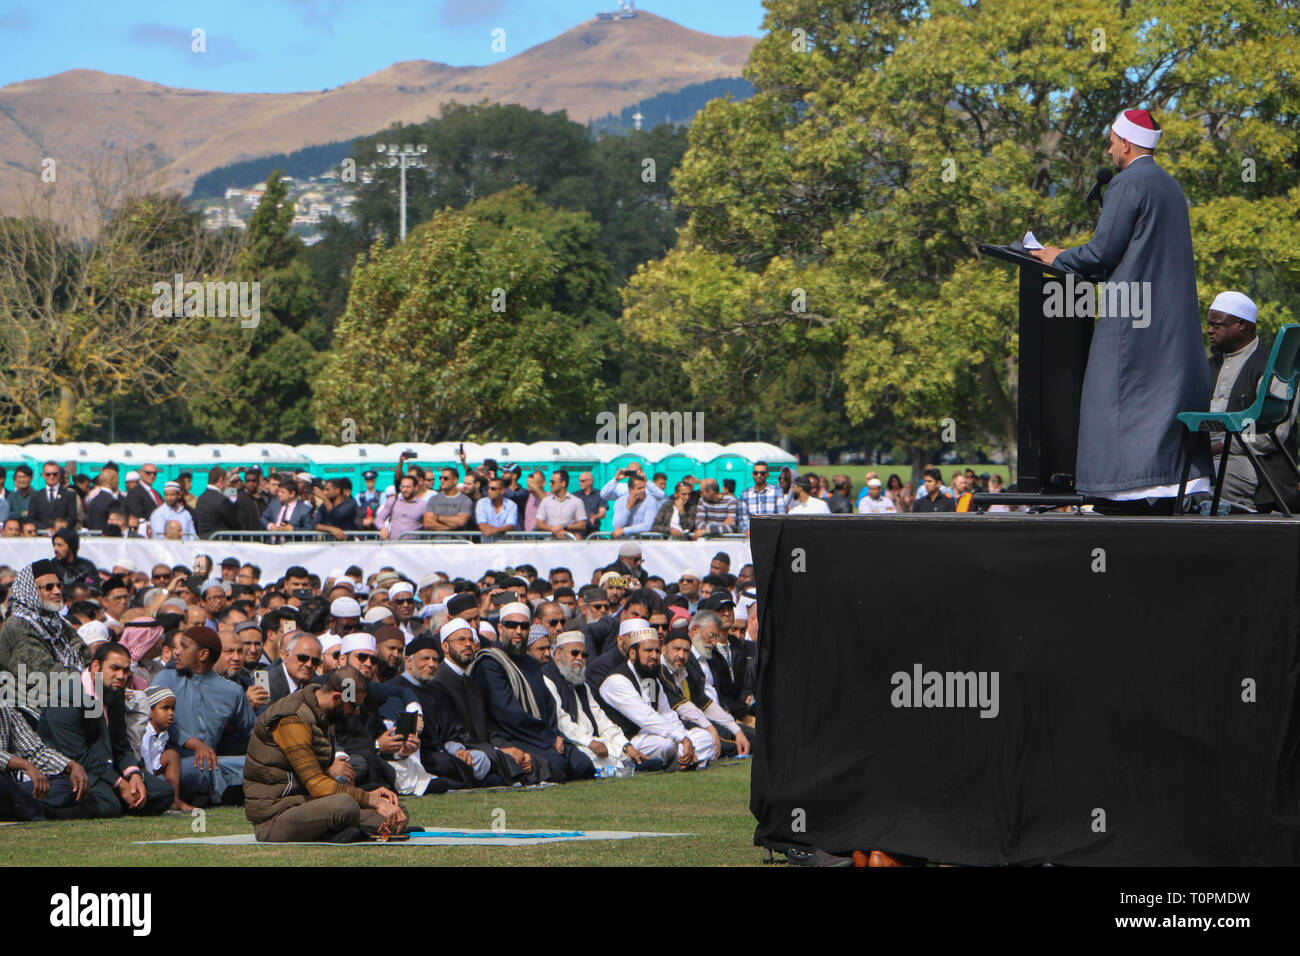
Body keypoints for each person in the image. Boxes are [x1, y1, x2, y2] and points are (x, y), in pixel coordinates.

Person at [1031, 108, 1212, 513]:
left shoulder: (1129, 183)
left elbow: (1101, 253)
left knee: (1111, 397)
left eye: (1112, 141)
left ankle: (1120, 490)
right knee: (1160, 401)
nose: (1110, 149)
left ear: (1127, 143)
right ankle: (1162, 488)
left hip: (1130, 318)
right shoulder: (1170, 186)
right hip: (1169, 321)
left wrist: (1056, 256)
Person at [242, 666, 408, 842]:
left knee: (397, 810)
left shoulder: (322, 714)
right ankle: (345, 829)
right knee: (345, 805)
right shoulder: (292, 718)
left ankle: (342, 830)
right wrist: (371, 800)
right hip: (276, 815)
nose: (357, 712)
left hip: (308, 803)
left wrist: (374, 798)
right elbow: (317, 784)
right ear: (337, 697)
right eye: (354, 705)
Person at [36, 642, 174, 817]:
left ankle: (119, 801)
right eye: (115, 668)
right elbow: (78, 755)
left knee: (163, 793)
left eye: (125, 670)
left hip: (106, 768)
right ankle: (52, 811)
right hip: (71, 771)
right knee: (109, 804)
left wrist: (134, 775)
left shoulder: (113, 692)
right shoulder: (67, 699)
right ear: (96, 667)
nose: (121, 676)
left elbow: (121, 745)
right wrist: (120, 784)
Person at [470, 603, 595, 782]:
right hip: (514, 737)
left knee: (583, 765)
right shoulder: (490, 663)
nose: (518, 631)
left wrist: (555, 736)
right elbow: (508, 714)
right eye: (511, 625)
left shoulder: (530, 663)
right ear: (500, 627)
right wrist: (549, 738)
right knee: (558, 767)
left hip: (544, 735)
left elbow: (548, 704)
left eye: (524, 626)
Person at [1204, 291, 1300, 512]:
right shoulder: (1207, 366)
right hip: (1210, 454)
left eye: (1218, 325)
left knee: (1214, 474)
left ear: (1241, 325)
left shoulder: (1273, 368)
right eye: (1210, 324)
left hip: (1259, 463)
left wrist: (1221, 446)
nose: (1210, 330)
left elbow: (1272, 433)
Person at [154, 626, 256, 806]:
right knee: (206, 768)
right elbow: (163, 723)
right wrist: (194, 743)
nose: (176, 652)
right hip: (168, 767)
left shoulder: (232, 691)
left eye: (184, 647)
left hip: (212, 765)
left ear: (203, 655)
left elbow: (253, 731)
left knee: (251, 765)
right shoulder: (165, 679)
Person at [596, 621, 716, 771]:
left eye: (657, 651)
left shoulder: (651, 678)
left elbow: (667, 714)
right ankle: (687, 760)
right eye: (648, 650)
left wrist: (685, 740)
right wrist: (682, 739)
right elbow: (647, 717)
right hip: (631, 741)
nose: (654, 656)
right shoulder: (617, 681)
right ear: (633, 653)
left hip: (660, 734)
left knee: (704, 737)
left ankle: (683, 760)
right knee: (665, 745)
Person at [431, 618, 538, 784]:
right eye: (461, 640)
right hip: (464, 750)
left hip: (484, 746)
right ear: (445, 647)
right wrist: (499, 751)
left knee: (527, 755)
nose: (468, 644)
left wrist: (503, 746)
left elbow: (488, 726)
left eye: (471, 640)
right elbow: (456, 733)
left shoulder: (470, 679)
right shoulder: (439, 682)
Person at [543, 631, 647, 774]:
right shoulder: (547, 680)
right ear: (557, 655)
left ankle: (630, 762)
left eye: (583, 655)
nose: (579, 658)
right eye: (574, 653)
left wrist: (625, 745)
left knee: (617, 750)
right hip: (572, 741)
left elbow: (599, 717)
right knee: (588, 758)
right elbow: (562, 721)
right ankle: (628, 766)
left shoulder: (581, 683)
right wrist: (589, 742)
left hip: (593, 739)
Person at [0, 561, 92, 714]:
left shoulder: (58, 622)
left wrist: (95, 677)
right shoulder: (17, 624)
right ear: (30, 591)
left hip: (66, 692)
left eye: (59, 586)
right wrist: (89, 680)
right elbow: (44, 674)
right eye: (49, 587)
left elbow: (85, 654)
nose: (57, 591)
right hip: (27, 703)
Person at [0, 703, 89, 821]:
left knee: (70, 785)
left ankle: (23, 808)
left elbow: (35, 750)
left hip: (12, 790)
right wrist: (26, 765)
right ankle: (41, 813)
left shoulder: (4, 709)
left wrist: (71, 765)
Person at [136, 684, 196, 812]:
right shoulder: (143, 731)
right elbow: (144, 756)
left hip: (153, 766)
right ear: (149, 711)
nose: (171, 713)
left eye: (173, 709)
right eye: (165, 708)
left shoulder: (163, 733)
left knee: (172, 755)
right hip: (140, 770)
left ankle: (175, 799)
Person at [602, 468, 664, 538]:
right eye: (639, 488)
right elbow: (617, 525)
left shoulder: (650, 500)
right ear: (631, 489)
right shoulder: (621, 500)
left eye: (644, 487)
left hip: (645, 542)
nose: (643, 490)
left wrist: (624, 530)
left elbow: (647, 525)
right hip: (625, 542)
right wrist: (628, 507)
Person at [535, 470, 589, 539]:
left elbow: (582, 524)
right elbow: (539, 523)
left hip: (568, 543)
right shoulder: (545, 501)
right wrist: (552, 528)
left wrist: (565, 527)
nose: (550, 484)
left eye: (553, 482)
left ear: (563, 483)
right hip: (549, 543)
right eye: (550, 482)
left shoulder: (577, 502)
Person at [28, 461, 78, 531]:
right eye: (48, 474)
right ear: (43, 475)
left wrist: (59, 527)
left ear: (60, 474)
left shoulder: (70, 495)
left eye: (55, 474)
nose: (51, 477)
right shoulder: (35, 496)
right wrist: (46, 529)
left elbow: (73, 518)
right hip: (41, 535)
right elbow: (31, 518)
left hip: (63, 534)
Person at [423, 468, 474, 533]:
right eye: (440, 478)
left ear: (455, 480)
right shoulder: (433, 499)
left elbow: (461, 521)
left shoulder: (465, 500)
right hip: (436, 541)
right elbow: (428, 523)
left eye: (445, 478)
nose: (442, 480)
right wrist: (451, 526)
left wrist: (438, 518)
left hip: (457, 541)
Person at [194, 467, 240, 538]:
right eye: (227, 480)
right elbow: (233, 522)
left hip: (203, 541)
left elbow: (197, 522)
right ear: (221, 480)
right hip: (220, 541)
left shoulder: (200, 498)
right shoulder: (222, 500)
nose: (228, 483)